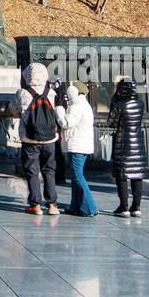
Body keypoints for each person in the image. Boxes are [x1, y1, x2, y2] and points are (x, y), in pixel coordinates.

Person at [14, 62, 60, 216]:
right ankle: (52, 204)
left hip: (29, 138)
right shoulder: (51, 93)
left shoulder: (22, 93)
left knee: (32, 172)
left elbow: (14, 110)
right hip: (50, 139)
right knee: (49, 170)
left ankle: (35, 204)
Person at [107, 76, 149, 216]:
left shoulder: (119, 105)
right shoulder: (140, 104)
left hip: (122, 143)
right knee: (137, 174)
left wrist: (114, 103)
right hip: (137, 142)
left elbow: (111, 123)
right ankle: (136, 207)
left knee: (122, 175)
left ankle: (123, 206)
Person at [55, 84, 98, 217]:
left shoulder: (77, 106)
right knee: (75, 177)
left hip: (77, 145)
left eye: (68, 95)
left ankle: (90, 207)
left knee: (78, 176)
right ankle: (75, 206)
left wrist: (59, 110)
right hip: (82, 145)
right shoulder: (84, 105)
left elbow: (66, 123)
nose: (66, 98)